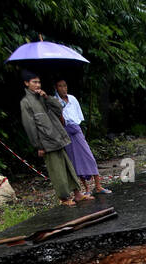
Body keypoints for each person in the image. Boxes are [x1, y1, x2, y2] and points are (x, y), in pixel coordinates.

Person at [19, 70, 92, 206]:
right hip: (46, 142)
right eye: (34, 82)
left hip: (58, 137)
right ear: (26, 83)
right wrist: (38, 146)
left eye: (38, 82)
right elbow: (30, 126)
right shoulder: (26, 102)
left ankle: (77, 193)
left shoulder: (42, 97)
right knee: (57, 171)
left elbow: (59, 110)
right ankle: (64, 198)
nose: (37, 85)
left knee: (68, 167)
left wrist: (47, 97)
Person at [54, 79, 111, 196]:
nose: (63, 88)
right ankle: (86, 188)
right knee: (75, 161)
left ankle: (98, 186)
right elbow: (59, 121)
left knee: (88, 156)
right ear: (56, 88)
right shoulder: (55, 101)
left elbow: (78, 116)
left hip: (76, 129)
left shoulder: (72, 99)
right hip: (66, 131)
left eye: (65, 86)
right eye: (60, 86)